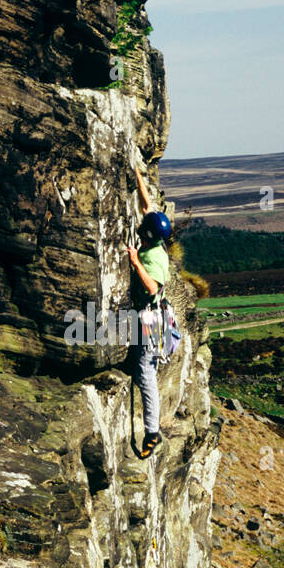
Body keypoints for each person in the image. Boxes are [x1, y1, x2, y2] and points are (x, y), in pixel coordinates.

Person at [126, 166, 172, 459]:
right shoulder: (155, 233)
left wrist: (135, 262)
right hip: (149, 314)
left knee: (146, 372)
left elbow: (153, 287)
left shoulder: (154, 255)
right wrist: (138, 175)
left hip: (152, 317)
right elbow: (148, 205)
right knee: (142, 366)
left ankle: (152, 432)